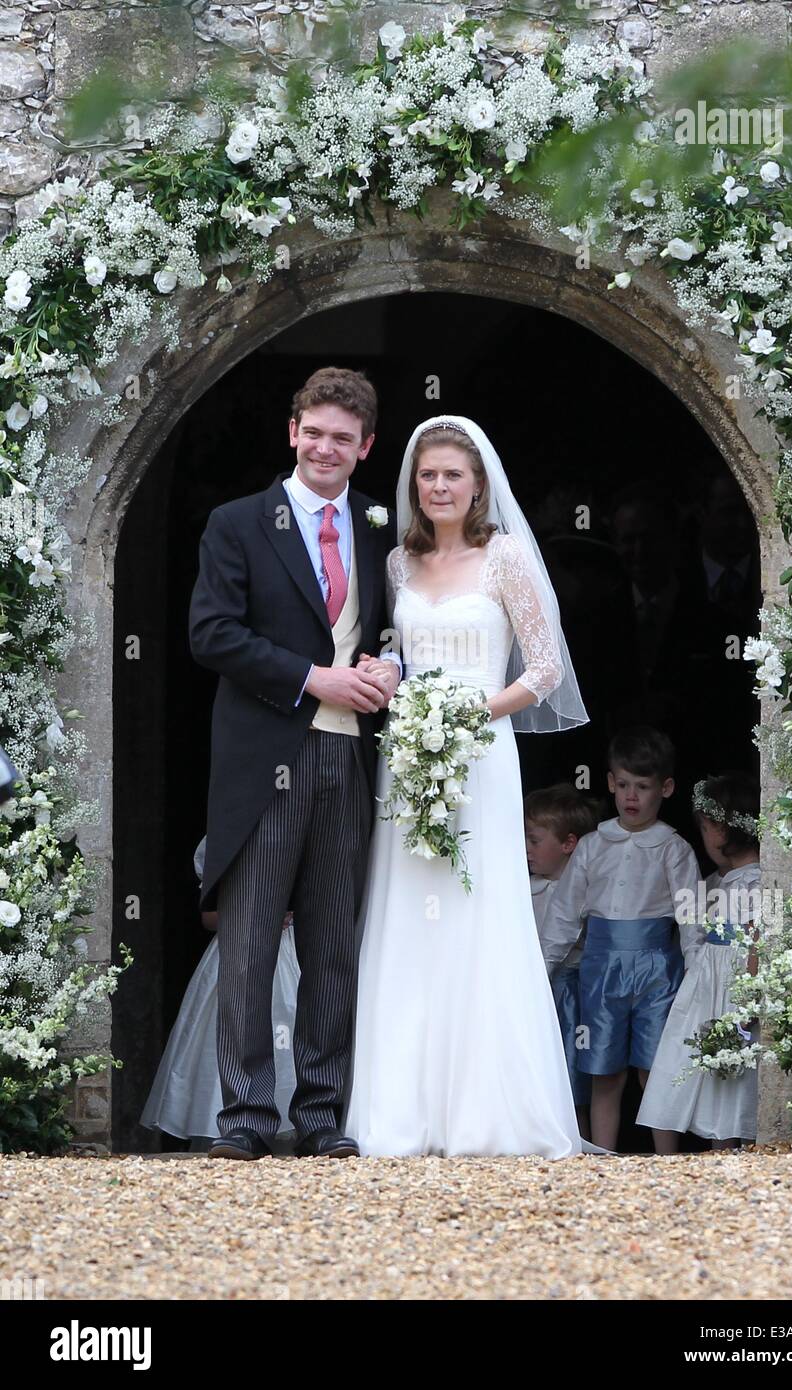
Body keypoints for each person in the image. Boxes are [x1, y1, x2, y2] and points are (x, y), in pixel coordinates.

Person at [342, 415, 607, 1158]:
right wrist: (390, 677)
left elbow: (545, 668)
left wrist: (470, 713)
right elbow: (394, 651)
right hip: (410, 754)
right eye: (426, 475)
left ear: (478, 483)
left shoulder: (507, 557)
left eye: (451, 475)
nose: (437, 487)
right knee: (407, 913)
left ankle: (487, 1112)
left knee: (477, 908)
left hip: (479, 751)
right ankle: (403, 1111)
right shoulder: (397, 564)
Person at [188, 367, 401, 1160]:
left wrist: (389, 668)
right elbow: (210, 634)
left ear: (364, 447)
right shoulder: (238, 523)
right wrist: (313, 677)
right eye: (312, 432)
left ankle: (320, 1116)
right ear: (292, 432)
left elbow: (394, 631)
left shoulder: (380, 528)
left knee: (333, 943)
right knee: (248, 945)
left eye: (341, 438)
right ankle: (244, 1119)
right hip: (266, 755)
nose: (324, 447)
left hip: (350, 759)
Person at [539, 727, 701, 1154]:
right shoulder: (592, 845)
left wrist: (697, 973)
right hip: (600, 971)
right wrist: (542, 968)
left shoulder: (674, 849)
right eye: (624, 784)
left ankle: (669, 1159)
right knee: (604, 1070)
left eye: (643, 787)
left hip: (657, 971)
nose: (631, 796)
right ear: (610, 782)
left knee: (656, 1068)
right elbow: (564, 913)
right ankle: (603, 1160)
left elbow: (691, 918)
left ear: (665, 789)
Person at [140, 836, 300, 1151]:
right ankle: (236, 1128)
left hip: (293, 955)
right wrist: (256, 914)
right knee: (230, 1036)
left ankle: (293, 1131)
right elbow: (209, 917)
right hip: (236, 950)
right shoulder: (224, 837)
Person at [636, 772, 761, 1147]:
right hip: (705, 984)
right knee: (679, 1061)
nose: (704, 836)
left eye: (707, 827)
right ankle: (673, 1154)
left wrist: (749, 997)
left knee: (730, 1077)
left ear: (725, 830)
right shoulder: (718, 881)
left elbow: (757, 939)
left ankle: (725, 1149)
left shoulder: (757, 882)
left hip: (731, 984)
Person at [525, 784, 607, 1138]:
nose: (525, 849)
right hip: (532, 989)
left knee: (572, 1073)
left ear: (568, 844)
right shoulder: (518, 886)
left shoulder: (584, 889)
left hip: (570, 992)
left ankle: (582, 1139)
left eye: (534, 840)